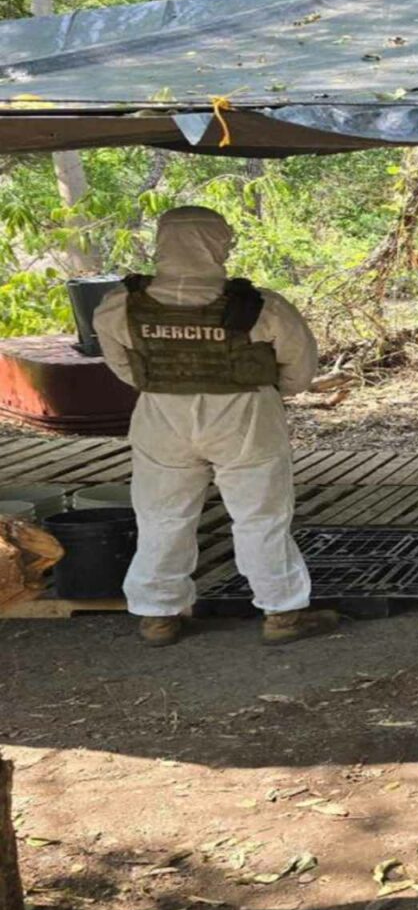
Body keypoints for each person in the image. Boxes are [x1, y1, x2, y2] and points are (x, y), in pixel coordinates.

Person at [94, 206, 339, 646]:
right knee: (260, 514)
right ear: (218, 243)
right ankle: (282, 613)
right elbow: (299, 371)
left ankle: (159, 615)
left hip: (161, 417)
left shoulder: (121, 304)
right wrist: (260, 392)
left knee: (161, 514)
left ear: (162, 242)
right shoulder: (260, 305)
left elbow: (124, 367)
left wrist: (171, 386)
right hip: (244, 415)